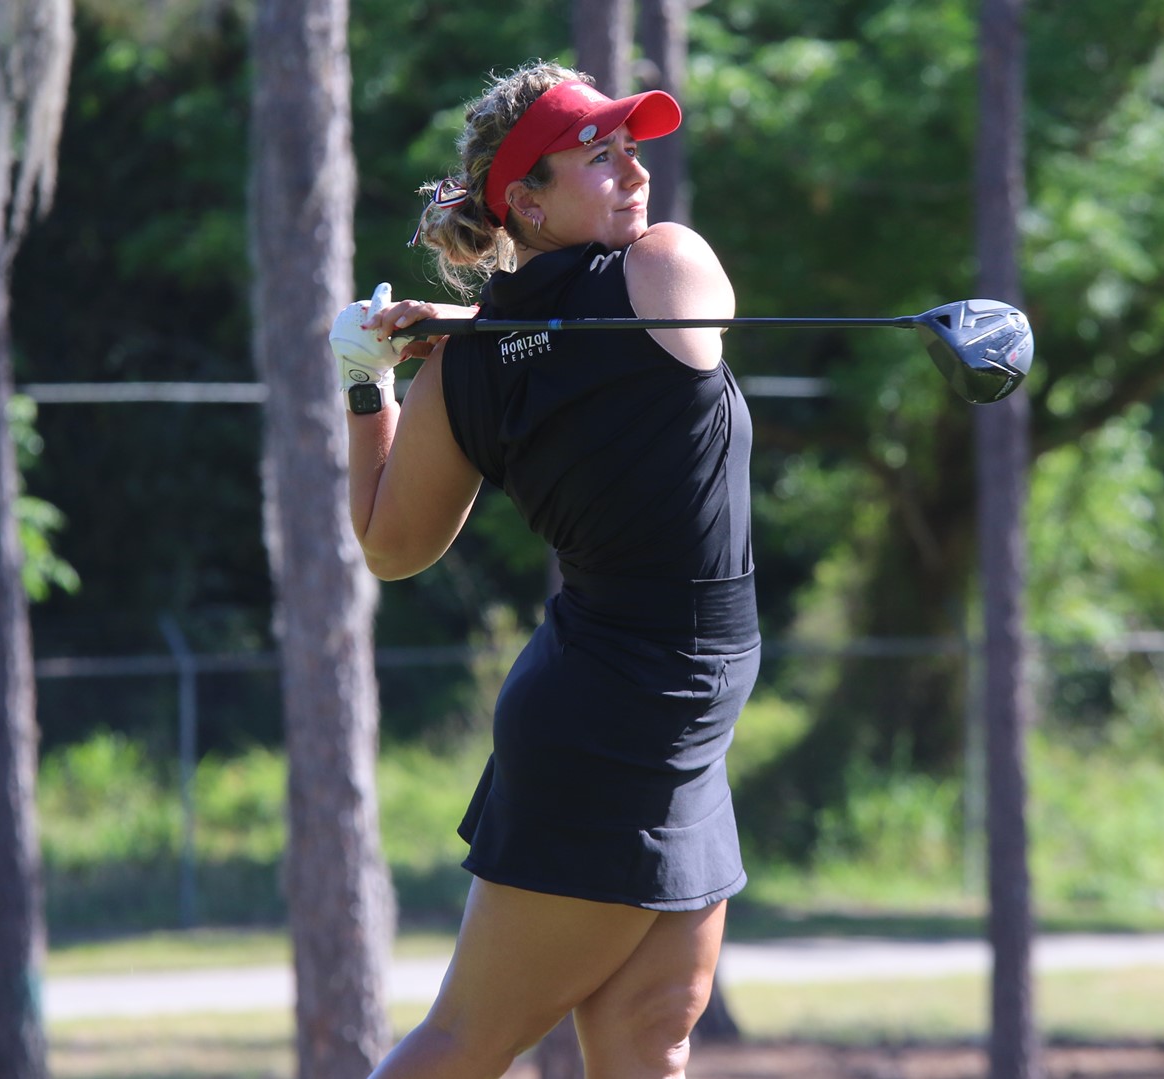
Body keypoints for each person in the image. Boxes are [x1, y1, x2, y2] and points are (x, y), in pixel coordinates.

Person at [330, 60, 758, 1079]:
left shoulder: (469, 360)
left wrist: (396, 364)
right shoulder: (662, 264)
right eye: (599, 157)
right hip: (617, 710)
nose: (635, 173)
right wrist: (376, 385)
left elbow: (391, 536)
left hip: (678, 705)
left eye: (633, 149)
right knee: (468, 1038)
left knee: (652, 1032)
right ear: (525, 201)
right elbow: (395, 546)